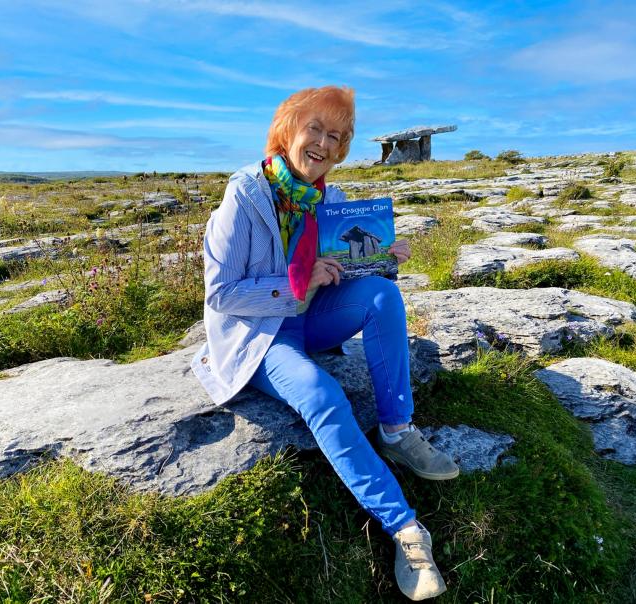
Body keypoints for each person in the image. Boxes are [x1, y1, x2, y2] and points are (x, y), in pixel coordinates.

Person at [191, 85, 459, 601]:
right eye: (314, 128)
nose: (323, 143)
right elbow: (221, 294)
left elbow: (347, 274)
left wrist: (383, 259)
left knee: (382, 294)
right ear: (288, 130)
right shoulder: (245, 194)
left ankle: (397, 431)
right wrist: (298, 283)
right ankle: (405, 530)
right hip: (260, 335)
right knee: (321, 394)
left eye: (335, 136)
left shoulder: (330, 201)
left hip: (308, 319)